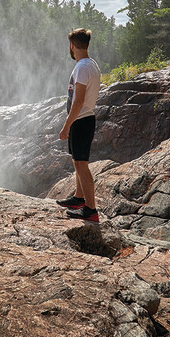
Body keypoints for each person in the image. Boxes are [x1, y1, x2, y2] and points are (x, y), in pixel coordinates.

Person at [57, 28, 101, 222]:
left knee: (81, 165)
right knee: (78, 162)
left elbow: (78, 100)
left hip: (81, 120)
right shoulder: (91, 64)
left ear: (72, 45)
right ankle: (78, 198)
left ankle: (91, 210)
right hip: (84, 119)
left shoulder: (82, 67)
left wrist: (67, 125)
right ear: (88, 44)